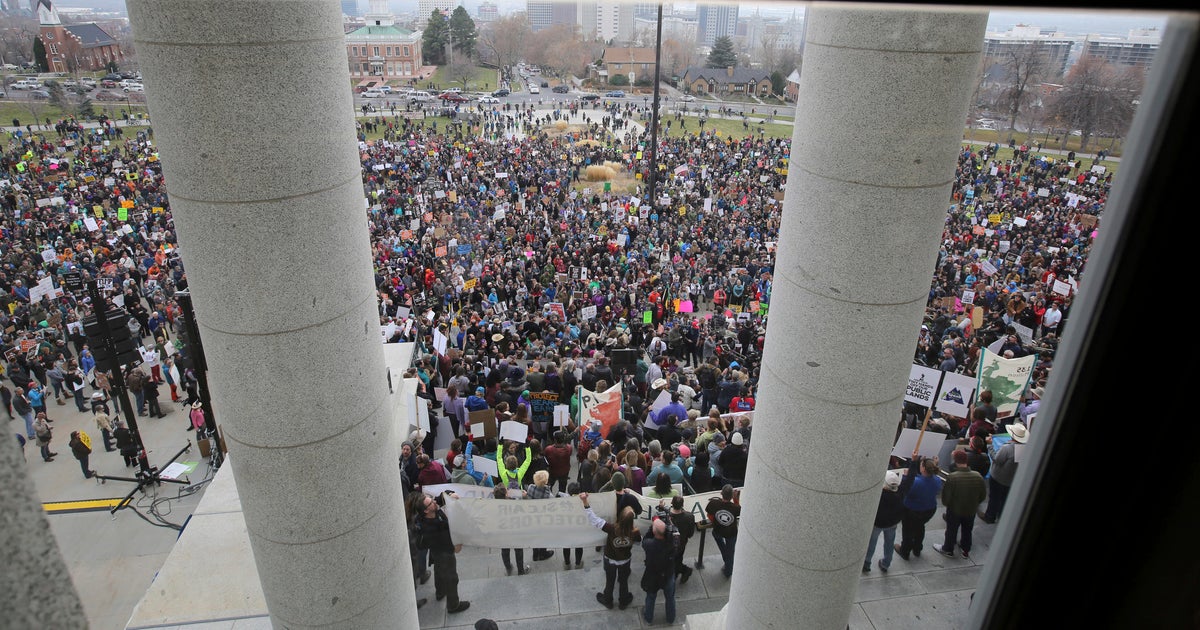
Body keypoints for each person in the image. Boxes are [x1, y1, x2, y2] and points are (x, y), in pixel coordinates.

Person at [580, 490, 641, 610]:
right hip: (625, 560)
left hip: (610, 559)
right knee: (623, 581)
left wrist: (585, 501)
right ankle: (623, 601)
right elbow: (639, 541)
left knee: (610, 581)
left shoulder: (611, 528)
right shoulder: (635, 533)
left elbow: (594, 519)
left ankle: (608, 600)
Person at [412, 491, 470, 614]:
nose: (434, 502)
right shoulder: (431, 528)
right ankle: (453, 605)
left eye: (432, 500)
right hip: (445, 553)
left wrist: (449, 495)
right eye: (431, 503)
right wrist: (456, 544)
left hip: (437, 553)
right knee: (452, 578)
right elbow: (446, 539)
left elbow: (439, 498)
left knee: (438, 571)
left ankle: (440, 592)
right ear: (426, 511)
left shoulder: (431, 512)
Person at [934, 449, 988, 559]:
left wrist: (949, 505)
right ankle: (965, 550)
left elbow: (946, 498)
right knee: (967, 530)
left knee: (951, 530)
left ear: (955, 461)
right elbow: (983, 495)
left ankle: (948, 549)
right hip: (971, 510)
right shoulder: (978, 476)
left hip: (955, 510)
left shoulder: (953, 477)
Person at [895, 452, 943, 561]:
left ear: (924, 469)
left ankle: (905, 551)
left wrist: (906, 476)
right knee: (920, 528)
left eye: (921, 464)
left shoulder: (916, 483)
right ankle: (917, 549)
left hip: (912, 511)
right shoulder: (937, 480)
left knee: (907, 531)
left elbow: (905, 489)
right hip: (929, 509)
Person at [980, 422, 1027, 524]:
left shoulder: (1007, 448)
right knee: (1004, 498)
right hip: (1010, 478)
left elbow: (997, 459)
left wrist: (989, 445)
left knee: (994, 497)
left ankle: (990, 516)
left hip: (998, 477)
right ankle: (1001, 515)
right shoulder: (1024, 448)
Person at [640, 512, 679, 625]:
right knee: (670, 598)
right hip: (668, 574)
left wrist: (652, 526)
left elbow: (645, 538)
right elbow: (675, 533)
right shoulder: (672, 543)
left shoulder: (649, 544)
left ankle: (648, 617)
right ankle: (670, 618)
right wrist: (668, 523)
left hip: (653, 575)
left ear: (654, 531)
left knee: (651, 597)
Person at [864, 470, 904, 573]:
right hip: (892, 524)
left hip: (877, 524)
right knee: (889, 543)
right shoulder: (900, 493)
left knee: (871, 543)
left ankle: (867, 563)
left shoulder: (879, 496)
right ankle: (886, 564)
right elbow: (909, 482)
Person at [705, 484, 741, 578]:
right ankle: (728, 571)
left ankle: (726, 556)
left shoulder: (713, 503)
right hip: (731, 533)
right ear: (731, 496)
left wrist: (715, 521)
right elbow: (738, 511)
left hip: (718, 530)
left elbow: (709, 515)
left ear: (721, 493)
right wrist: (736, 499)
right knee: (730, 552)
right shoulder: (736, 508)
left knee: (717, 537)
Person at [525, 470, 556, 562]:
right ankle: (543, 554)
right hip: (543, 520)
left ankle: (535, 555)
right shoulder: (548, 495)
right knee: (543, 536)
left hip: (532, 518)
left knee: (534, 536)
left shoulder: (530, 488)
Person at [668, 495, 696, 584]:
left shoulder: (667, 517)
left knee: (673, 561)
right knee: (677, 559)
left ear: (671, 503)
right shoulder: (689, 516)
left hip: (668, 544)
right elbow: (690, 533)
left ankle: (682, 571)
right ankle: (682, 571)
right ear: (682, 505)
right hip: (681, 543)